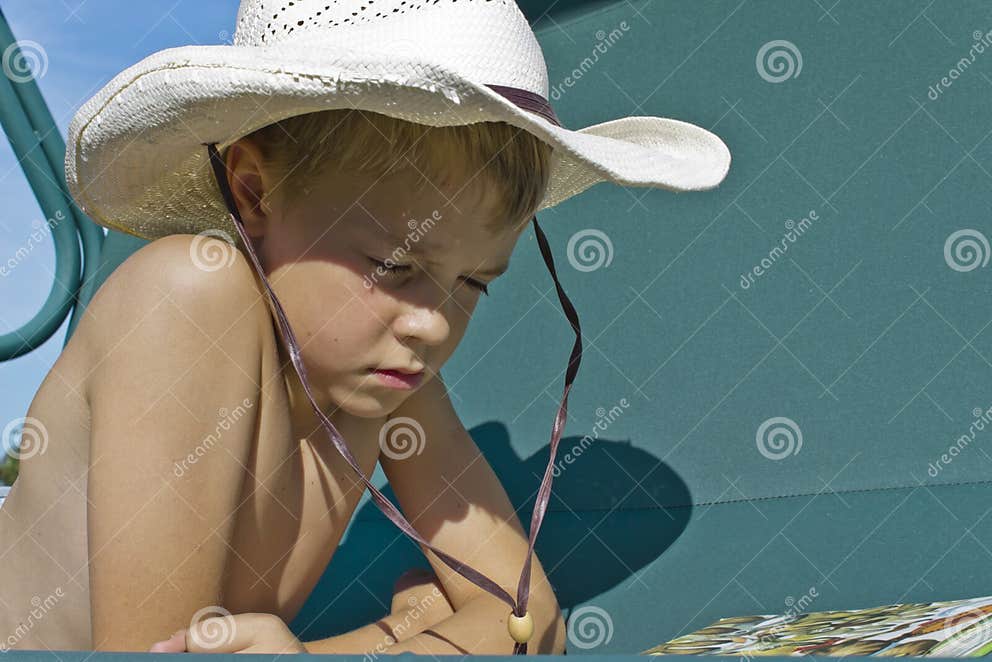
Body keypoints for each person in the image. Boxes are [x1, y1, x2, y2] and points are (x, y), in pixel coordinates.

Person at [0, 0, 731, 654]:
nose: (433, 324)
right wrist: (411, 628)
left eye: (475, 283)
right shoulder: (190, 295)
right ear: (254, 190)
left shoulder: (387, 383)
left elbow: (527, 619)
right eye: (394, 265)